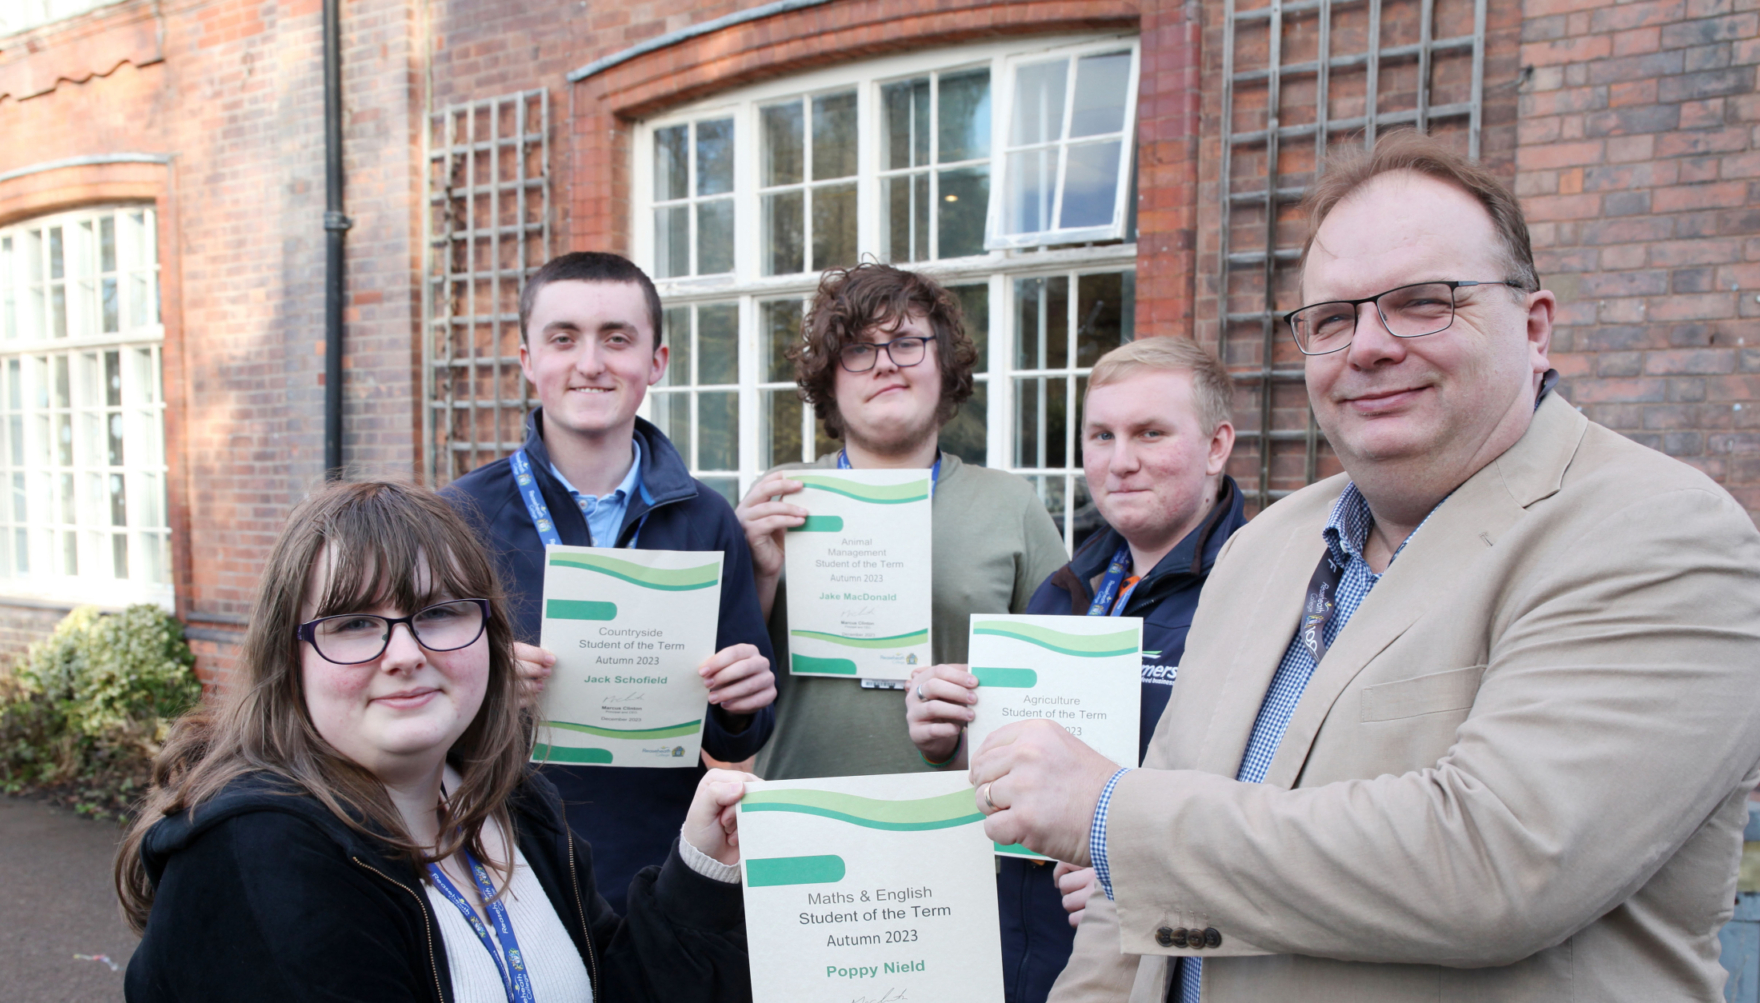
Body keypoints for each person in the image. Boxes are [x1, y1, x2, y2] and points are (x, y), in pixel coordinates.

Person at [970, 129, 1760, 1002]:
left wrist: (1105, 811)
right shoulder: (1263, 548)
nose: (1368, 345)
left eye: (1424, 301)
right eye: (1333, 317)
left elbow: (1496, 863)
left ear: (1535, 326)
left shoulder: (1657, 533)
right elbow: (1133, 896)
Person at [116, 480, 755, 1003]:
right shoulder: (258, 853)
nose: (404, 654)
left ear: (490, 633)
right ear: (292, 657)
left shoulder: (513, 802)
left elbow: (613, 988)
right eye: (354, 623)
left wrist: (700, 866)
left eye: (438, 613)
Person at [905, 337, 1246, 1003]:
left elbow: (1273, 820)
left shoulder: (1258, 598)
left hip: (1150, 972)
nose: (1121, 461)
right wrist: (947, 739)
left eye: (1150, 433)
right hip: (1017, 955)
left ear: (1216, 446)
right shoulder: (1061, 591)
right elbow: (999, 784)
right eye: (1101, 435)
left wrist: (1139, 879)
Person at [444, 251, 776, 912]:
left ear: (656, 361)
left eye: (617, 338)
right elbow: (420, 700)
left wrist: (743, 700)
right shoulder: (459, 516)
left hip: (661, 867)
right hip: (504, 861)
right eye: (563, 338)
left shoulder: (705, 516)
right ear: (527, 360)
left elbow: (737, 734)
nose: (591, 362)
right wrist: (479, 681)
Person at [737, 263, 1067, 779]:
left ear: (944, 364)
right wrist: (757, 573)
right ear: (829, 377)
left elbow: (1059, 688)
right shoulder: (782, 498)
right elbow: (725, 687)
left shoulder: (1010, 505)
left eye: (907, 343)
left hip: (966, 820)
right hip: (799, 813)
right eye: (858, 350)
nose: (885, 365)